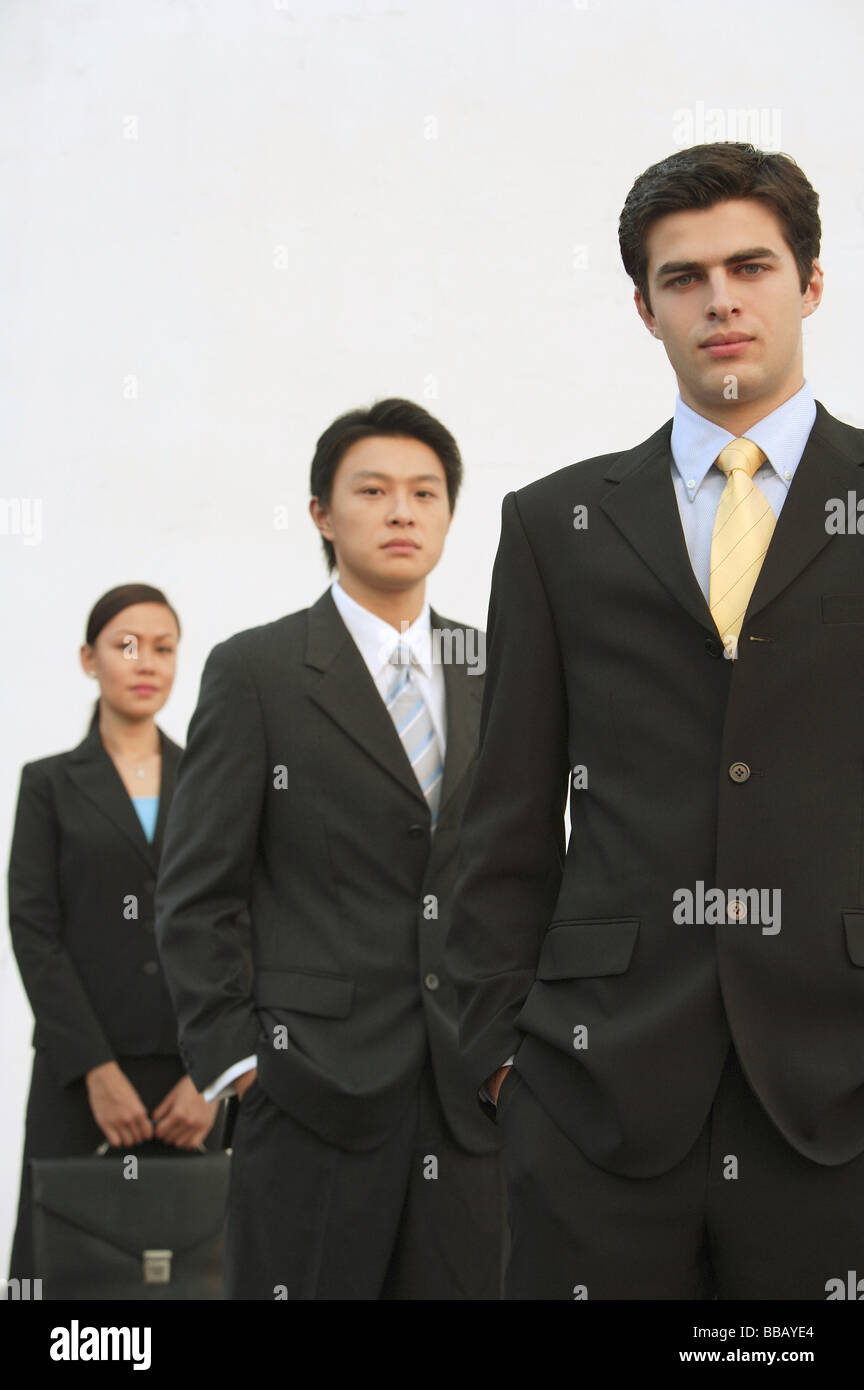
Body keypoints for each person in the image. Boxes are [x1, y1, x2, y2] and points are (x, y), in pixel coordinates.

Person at [446, 142, 864, 1300]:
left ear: (811, 283)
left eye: (751, 265)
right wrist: (500, 1066)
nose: (720, 299)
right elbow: (506, 820)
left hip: (840, 1095)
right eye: (684, 278)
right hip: (594, 1098)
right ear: (645, 308)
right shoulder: (555, 526)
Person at [155, 398, 505, 1300]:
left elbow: (530, 868)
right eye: (375, 490)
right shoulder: (257, 671)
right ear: (321, 512)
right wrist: (238, 1065)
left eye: (426, 493)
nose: (402, 511)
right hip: (308, 1095)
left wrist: (526, 1051)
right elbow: (198, 892)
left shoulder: (495, 665)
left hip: (472, 1097)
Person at [7, 583, 222, 1286]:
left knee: (203, 1268)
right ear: (87, 659)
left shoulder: (214, 780)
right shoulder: (49, 785)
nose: (146, 662)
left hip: (192, 1083)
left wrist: (212, 1076)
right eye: (126, 645)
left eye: (164, 648)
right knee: (67, 1268)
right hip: (83, 1075)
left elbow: (240, 923)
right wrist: (96, 1072)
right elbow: (33, 930)